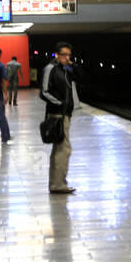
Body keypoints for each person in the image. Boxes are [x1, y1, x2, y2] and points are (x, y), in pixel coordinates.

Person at [40, 41, 80, 194]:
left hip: (65, 114)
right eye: (64, 55)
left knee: (59, 149)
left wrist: (73, 65)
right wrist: (61, 104)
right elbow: (44, 92)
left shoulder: (65, 70)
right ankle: (58, 185)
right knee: (64, 149)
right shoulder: (50, 69)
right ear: (56, 54)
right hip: (57, 114)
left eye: (69, 55)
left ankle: (57, 184)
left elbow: (83, 77)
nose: (67, 58)